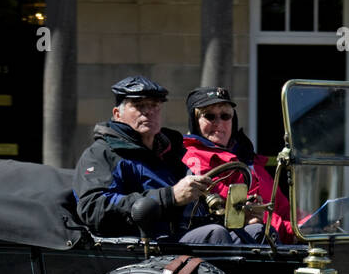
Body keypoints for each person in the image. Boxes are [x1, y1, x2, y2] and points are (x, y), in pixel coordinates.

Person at [72, 75, 259, 244]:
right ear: (117, 114)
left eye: (154, 105)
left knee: (258, 232)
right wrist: (169, 197)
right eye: (138, 106)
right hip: (140, 246)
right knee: (214, 235)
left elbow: (194, 210)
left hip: (177, 238)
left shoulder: (170, 153)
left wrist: (237, 214)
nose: (148, 112)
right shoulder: (102, 153)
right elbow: (92, 207)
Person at [181, 86, 299, 244]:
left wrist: (308, 223)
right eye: (210, 116)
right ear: (195, 122)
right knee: (260, 231)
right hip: (226, 241)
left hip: (273, 235)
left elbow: (282, 206)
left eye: (225, 116)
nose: (219, 123)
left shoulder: (247, 157)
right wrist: (294, 230)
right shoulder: (193, 159)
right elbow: (235, 208)